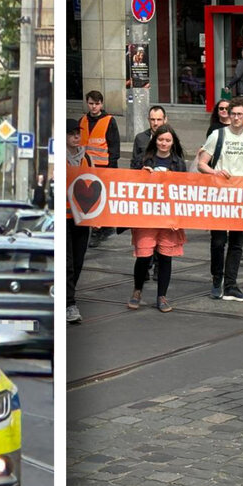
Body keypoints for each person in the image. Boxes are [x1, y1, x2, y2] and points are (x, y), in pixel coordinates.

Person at [196, 98, 243, 303]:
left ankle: (231, 285)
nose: (237, 117)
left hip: (240, 196)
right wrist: (216, 171)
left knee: (237, 244)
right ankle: (217, 281)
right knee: (218, 241)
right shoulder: (217, 135)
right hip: (220, 195)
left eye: (241, 114)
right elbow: (201, 164)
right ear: (229, 115)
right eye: (234, 114)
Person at [127, 125, 188, 313]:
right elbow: (129, 184)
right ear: (155, 141)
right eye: (161, 140)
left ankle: (162, 296)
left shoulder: (178, 163)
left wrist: (180, 218)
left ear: (173, 142)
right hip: (146, 217)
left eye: (168, 140)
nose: (164, 143)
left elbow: (185, 190)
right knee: (144, 257)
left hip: (169, 218)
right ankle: (137, 290)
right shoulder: (143, 160)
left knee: (165, 258)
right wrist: (141, 176)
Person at [81, 90, 120, 245]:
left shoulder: (109, 121)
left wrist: (111, 167)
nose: (94, 107)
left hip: (103, 167)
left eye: (97, 104)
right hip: (86, 168)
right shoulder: (82, 120)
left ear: (101, 104)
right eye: (91, 103)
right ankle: (101, 227)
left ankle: (100, 229)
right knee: (90, 200)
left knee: (100, 199)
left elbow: (114, 146)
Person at [65, 118, 91, 325]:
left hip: (82, 218)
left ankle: (69, 295)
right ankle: (69, 303)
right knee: (67, 263)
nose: (76, 136)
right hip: (64, 217)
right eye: (72, 133)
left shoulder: (86, 158)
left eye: (78, 133)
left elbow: (97, 181)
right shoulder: (59, 158)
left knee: (78, 261)